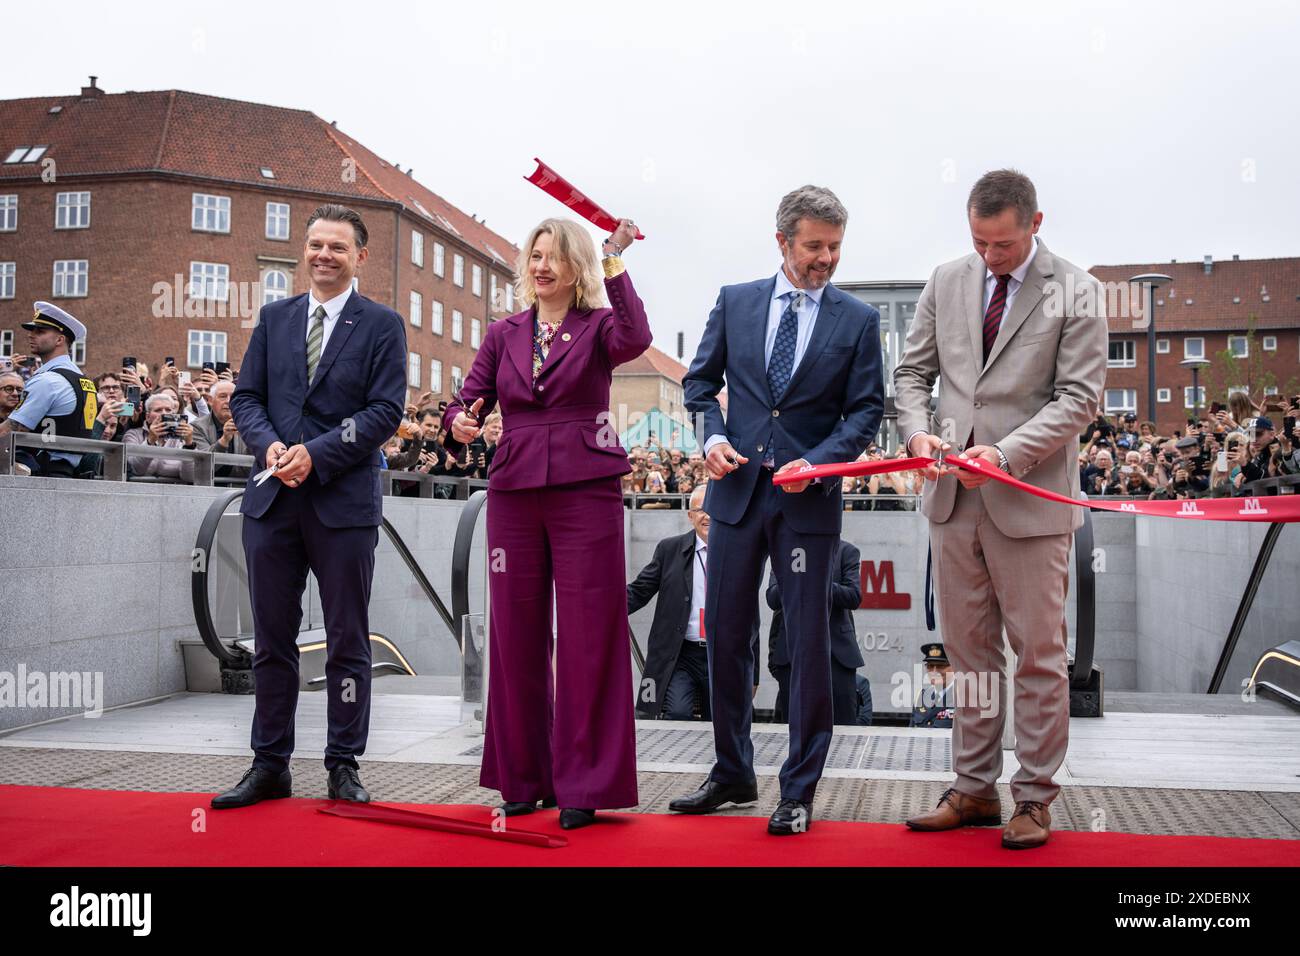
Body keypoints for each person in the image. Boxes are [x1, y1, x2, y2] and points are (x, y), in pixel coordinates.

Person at [893, 169, 1107, 849]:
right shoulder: (945, 279)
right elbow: (911, 374)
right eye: (980, 242)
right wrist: (917, 431)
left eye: (1004, 245)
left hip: (1030, 501)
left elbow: (1079, 399)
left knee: (1040, 654)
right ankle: (975, 789)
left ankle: (1036, 798)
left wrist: (1006, 455)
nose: (990, 256)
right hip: (952, 500)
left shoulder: (1077, 290)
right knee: (969, 655)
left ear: (1036, 225)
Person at [672, 185, 885, 836]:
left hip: (808, 501)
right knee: (728, 638)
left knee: (807, 645)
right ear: (783, 241)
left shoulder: (857, 320)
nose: (826, 258)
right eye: (815, 246)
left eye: (835, 247)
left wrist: (820, 460)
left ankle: (799, 789)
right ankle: (732, 771)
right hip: (736, 495)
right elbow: (700, 384)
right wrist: (711, 439)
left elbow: (867, 411)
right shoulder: (736, 302)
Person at [444, 216, 650, 830]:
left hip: (586, 489)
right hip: (513, 490)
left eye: (555, 256)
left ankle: (584, 783)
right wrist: (460, 420)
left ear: (577, 266)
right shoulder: (503, 332)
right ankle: (523, 776)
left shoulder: (601, 326)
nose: (541, 266)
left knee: (590, 633)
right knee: (515, 632)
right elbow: (470, 397)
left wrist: (616, 261)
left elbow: (638, 335)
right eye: (534, 255)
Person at [212, 204, 406, 810]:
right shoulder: (274, 318)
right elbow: (246, 396)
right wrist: (268, 444)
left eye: (338, 248)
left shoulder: (383, 325)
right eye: (316, 245)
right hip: (272, 501)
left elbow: (384, 411)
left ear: (359, 258)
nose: (325, 256)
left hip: (342, 504)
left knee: (348, 639)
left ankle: (343, 763)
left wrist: (316, 455)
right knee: (273, 639)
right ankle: (269, 763)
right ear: (305, 251)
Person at [627, 484, 760, 720]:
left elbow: (751, 617)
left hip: (722, 653)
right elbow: (639, 591)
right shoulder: (670, 550)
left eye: (713, 508)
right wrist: (604, 607)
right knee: (677, 713)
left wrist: (754, 674)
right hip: (681, 654)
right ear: (690, 516)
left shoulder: (738, 553)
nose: (707, 516)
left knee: (722, 720)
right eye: (700, 510)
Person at [766, 537, 865, 725]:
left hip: (836, 655)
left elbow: (854, 596)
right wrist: (796, 579)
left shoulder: (846, 551)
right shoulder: (785, 551)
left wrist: (819, 581)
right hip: (793, 653)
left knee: (843, 725)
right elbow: (772, 598)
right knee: (794, 723)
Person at [0, 302, 95, 477]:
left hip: (39, 475)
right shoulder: (83, 380)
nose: (31, 335)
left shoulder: (48, 380)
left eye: (40, 331)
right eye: (32, 330)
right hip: (65, 473)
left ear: (60, 339)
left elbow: (9, 431)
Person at [192, 379, 252, 481]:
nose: (229, 401)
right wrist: (224, 441)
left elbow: (251, 469)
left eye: (233, 397)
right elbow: (203, 467)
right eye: (223, 396)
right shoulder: (198, 426)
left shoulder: (248, 425)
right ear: (210, 400)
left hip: (241, 487)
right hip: (209, 487)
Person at [910, 643, 956, 728]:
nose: (934, 671)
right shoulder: (921, 697)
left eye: (940, 666)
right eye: (930, 666)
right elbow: (911, 733)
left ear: (954, 667)